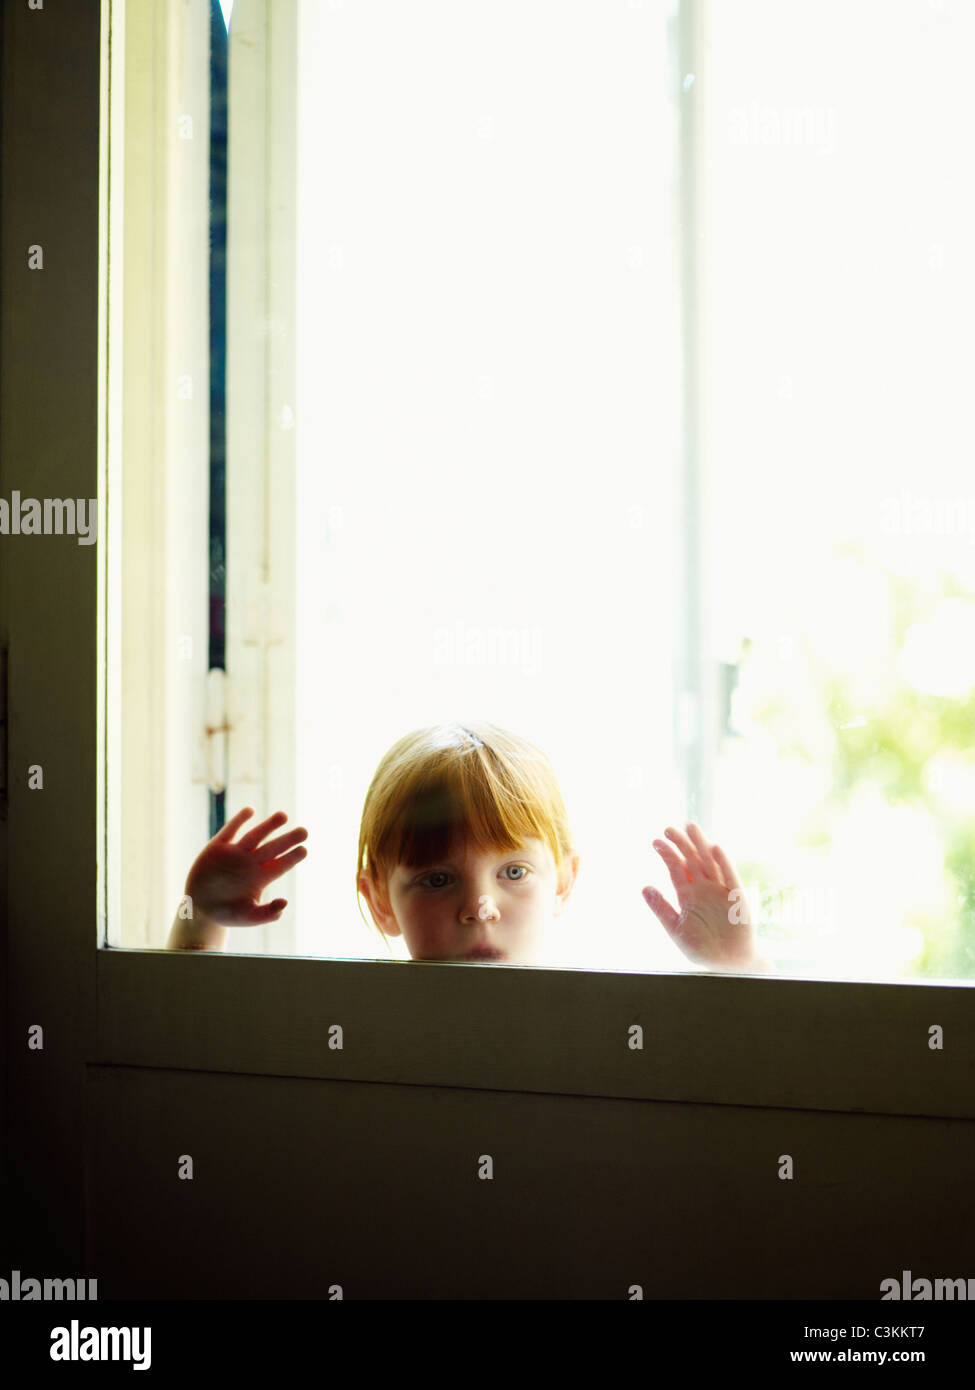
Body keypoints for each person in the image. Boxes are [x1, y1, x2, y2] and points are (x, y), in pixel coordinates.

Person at [165, 720, 774, 973]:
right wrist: (200, 919)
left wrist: (736, 965)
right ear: (378, 901)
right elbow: (187, 1058)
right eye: (436, 879)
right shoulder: (350, 1017)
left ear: (564, 881)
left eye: (512, 871)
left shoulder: (600, 1020)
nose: (479, 907)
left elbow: (747, 1088)